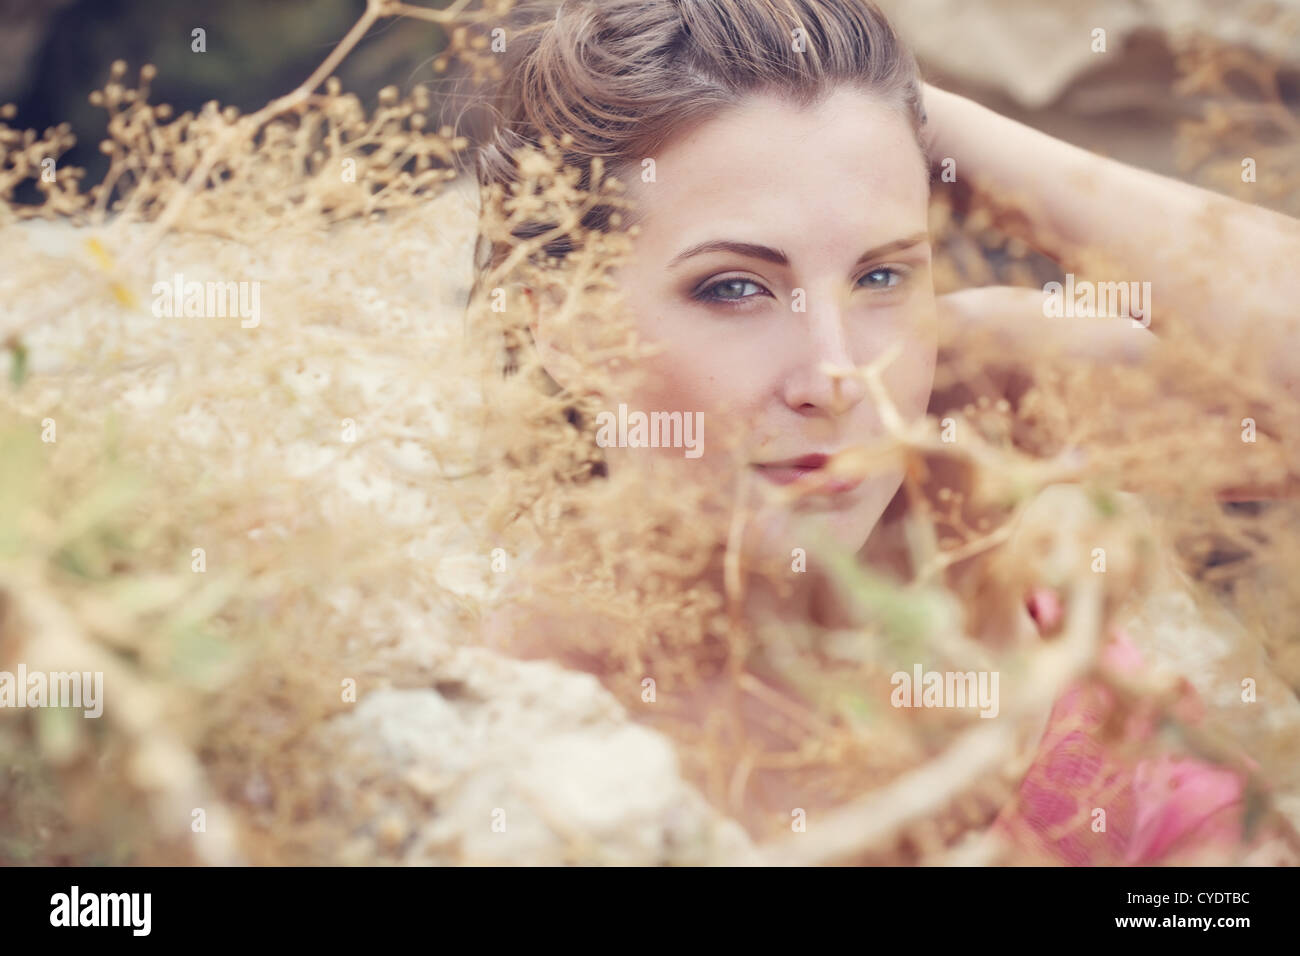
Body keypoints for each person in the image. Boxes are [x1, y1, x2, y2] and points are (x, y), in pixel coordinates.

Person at [468, 0, 1300, 863]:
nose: (836, 379)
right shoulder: (527, 722)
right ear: (557, 324)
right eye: (733, 288)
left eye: (880, 274)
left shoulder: (969, 410)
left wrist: (921, 123)